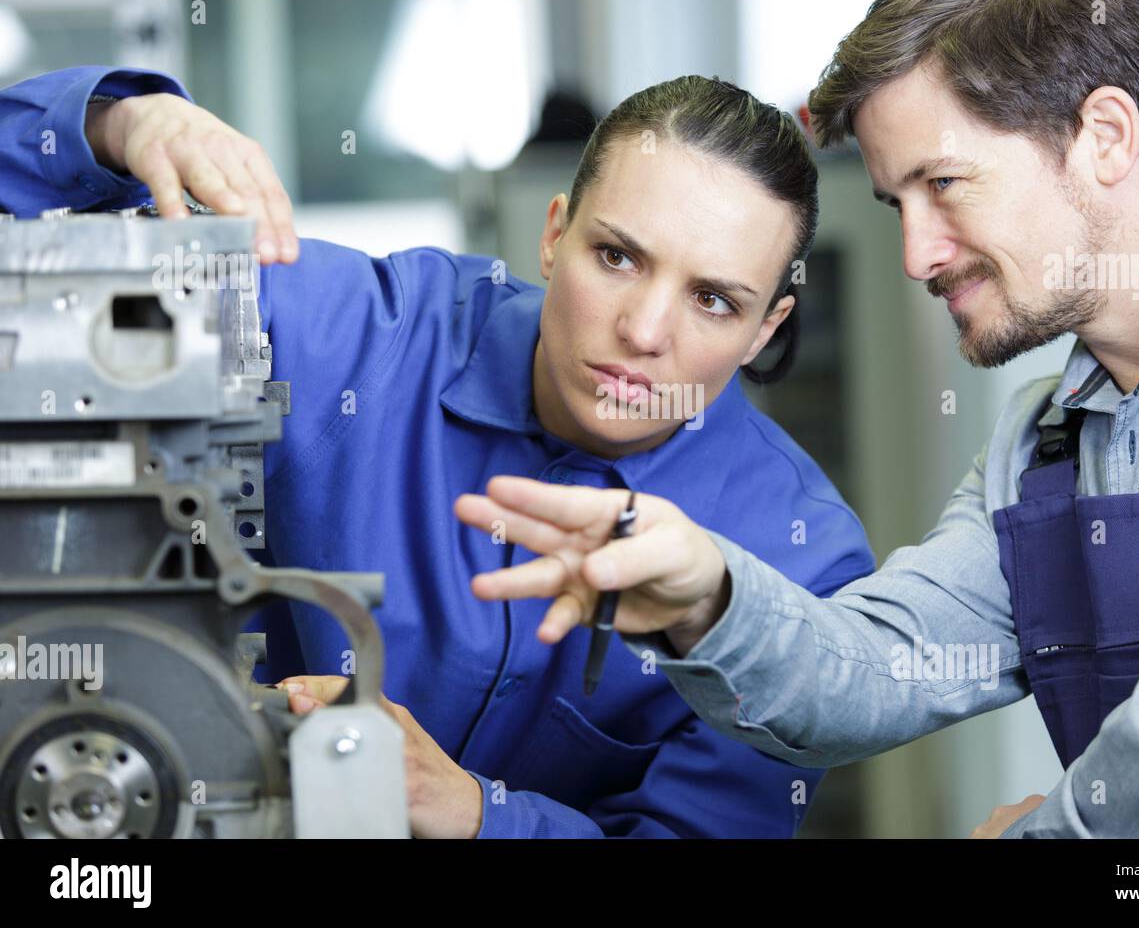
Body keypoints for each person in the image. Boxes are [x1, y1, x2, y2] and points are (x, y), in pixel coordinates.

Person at [456, 0, 1139, 838]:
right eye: (899, 204)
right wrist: (705, 597)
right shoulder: (1042, 448)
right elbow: (873, 672)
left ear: (1107, 135)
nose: (917, 255)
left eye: (944, 185)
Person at [0, 68, 874, 837]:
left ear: (769, 327)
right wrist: (116, 125)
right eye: (616, 256)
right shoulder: (355, 341)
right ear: (553, 234)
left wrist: (473, 814)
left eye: (714, 302)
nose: (643, 331)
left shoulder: (803, 570)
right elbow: (34, 275)